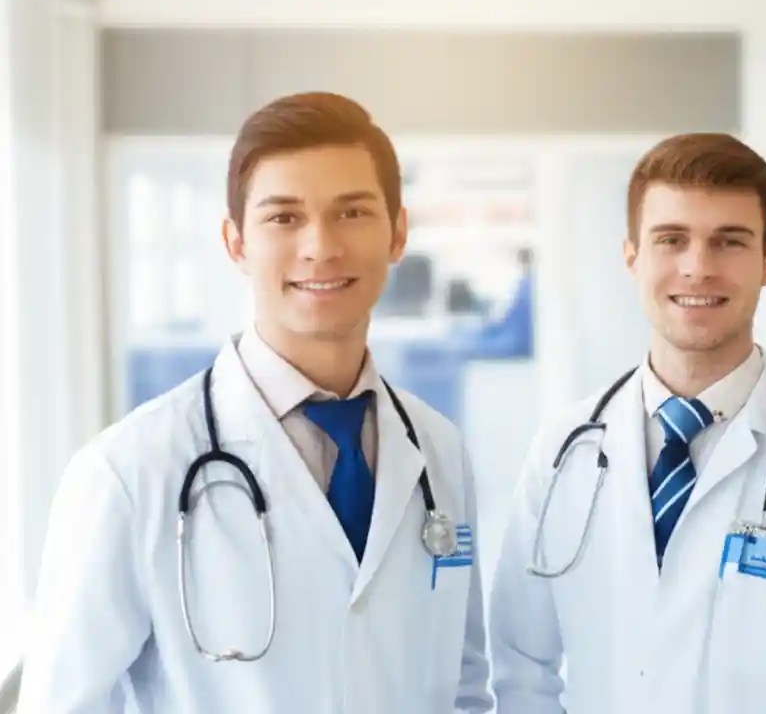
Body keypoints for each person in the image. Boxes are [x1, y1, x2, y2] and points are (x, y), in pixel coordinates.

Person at [19, 92, 493, 713]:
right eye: (283, 217)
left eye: (351, 213)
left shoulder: (438, 451)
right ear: (236, 242)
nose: (320, 247)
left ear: (398, 232)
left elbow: (463, 687)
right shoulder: (131, 471)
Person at [488, 133, 766, 712]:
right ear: (632, 256)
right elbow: (522, 669)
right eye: (672, 240)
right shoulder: (565, 448)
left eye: (729, 242)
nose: (698, 267)